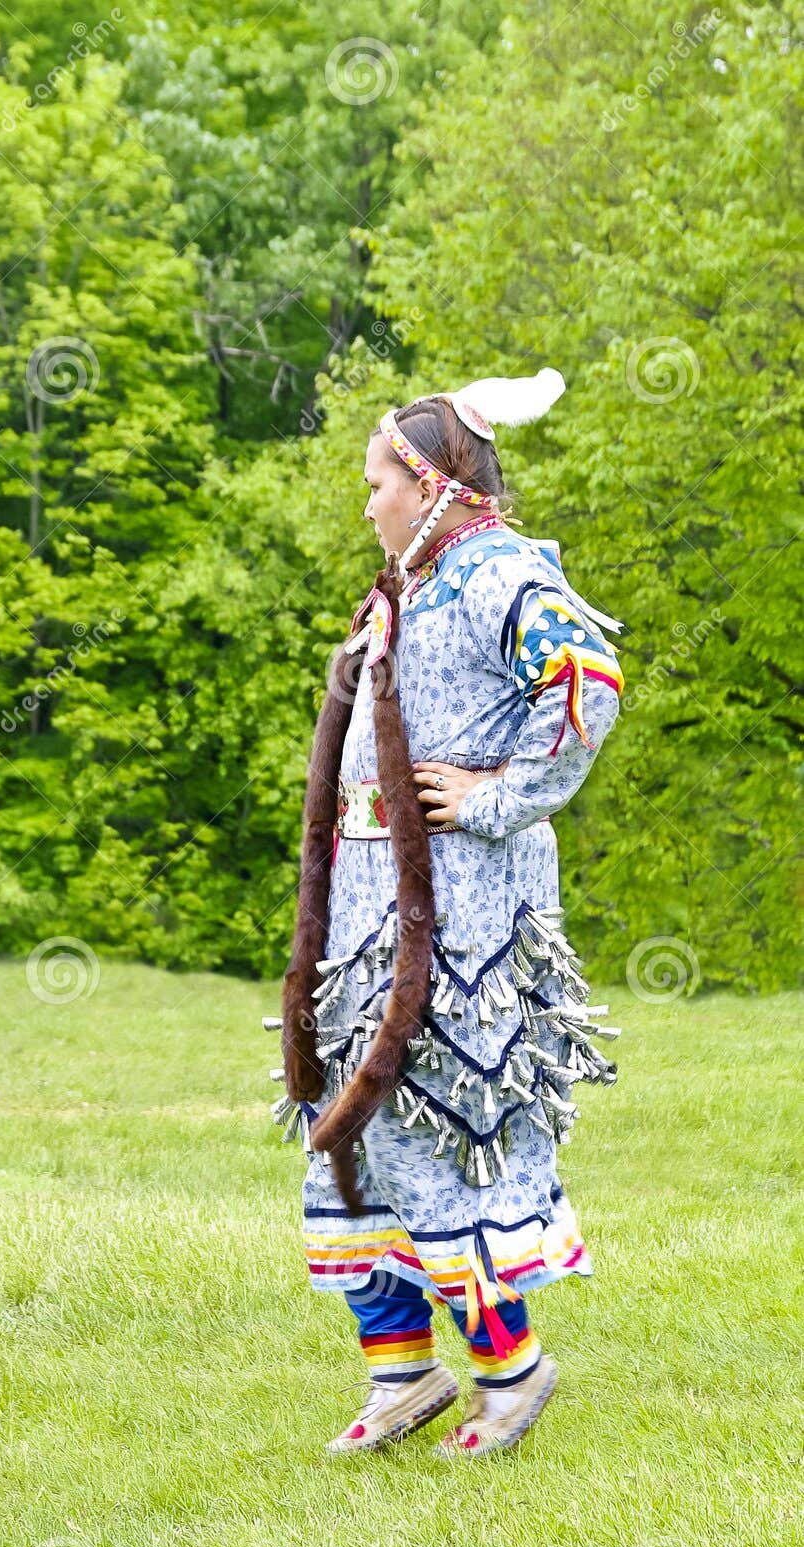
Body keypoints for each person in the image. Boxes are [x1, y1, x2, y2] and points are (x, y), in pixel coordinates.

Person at [265, 369, 624, 1457]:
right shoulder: (414, 586)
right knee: (355, 1123)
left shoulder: (501, 572)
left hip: (463, 909)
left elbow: (585, 680)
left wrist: (498, 797)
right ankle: (402, 1373)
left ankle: (510, 1374)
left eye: (378, 479)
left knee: (448, 1126)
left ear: (429, 481)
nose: (366, 499)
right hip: (373, 904)